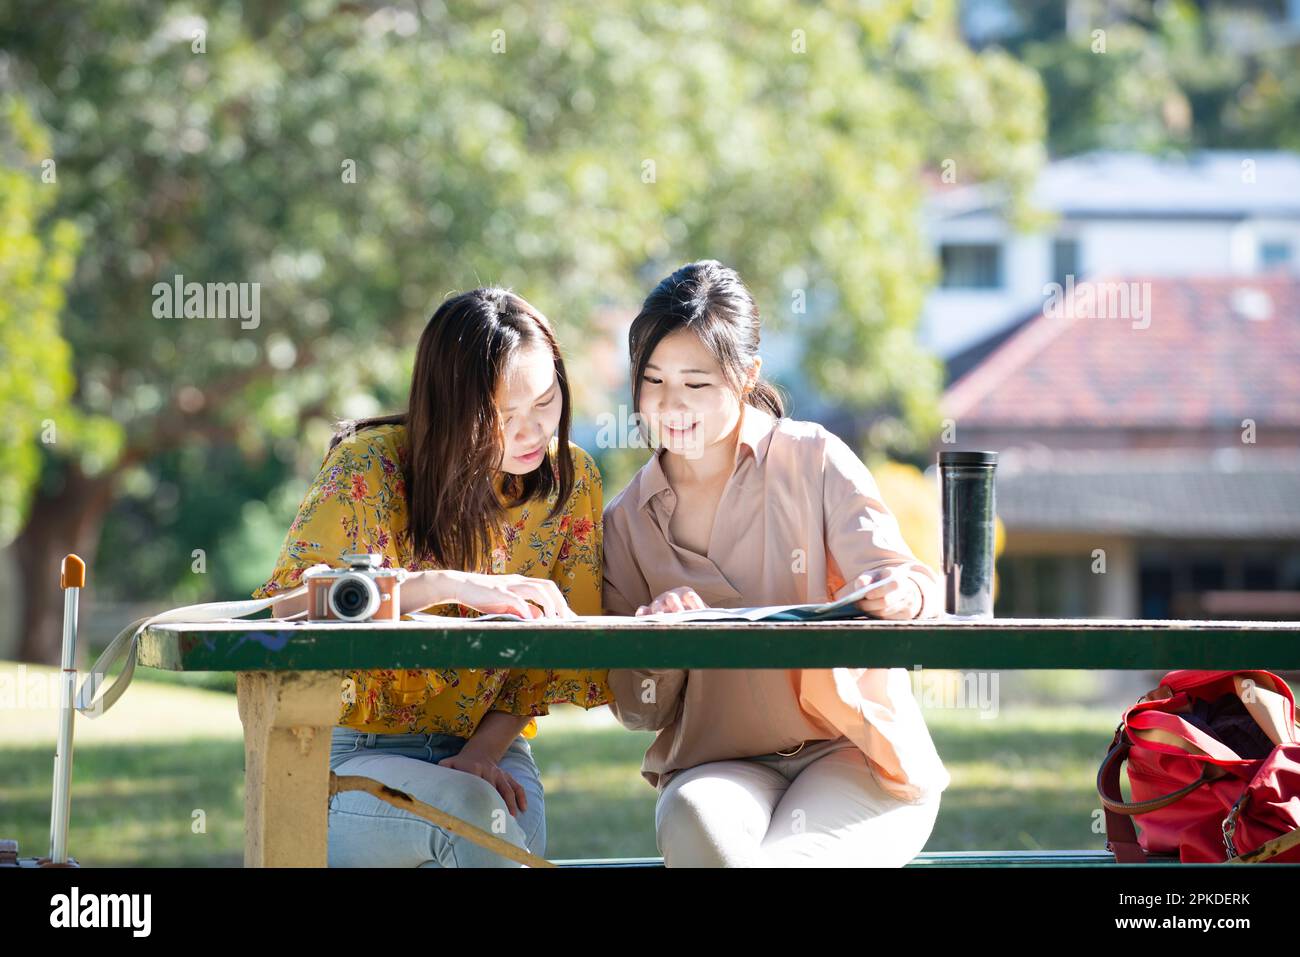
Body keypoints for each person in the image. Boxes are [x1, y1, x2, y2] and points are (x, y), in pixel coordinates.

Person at [602, 260, 951, 867]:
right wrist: (664, 641)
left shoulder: (815, 458)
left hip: (853, 754)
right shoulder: (627, 519)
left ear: (746, 377)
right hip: (719, 767)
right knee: (693, 827)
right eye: (652, 381)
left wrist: (898, 595)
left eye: (696, 383)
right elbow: (638, 708)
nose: (670, 405)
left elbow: (912, 581)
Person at [253, 287, 610, 866]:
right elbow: (288, 609)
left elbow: (546, 664)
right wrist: (449, 585)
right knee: (477, 821)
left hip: (492, 745)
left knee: (492, 826)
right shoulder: (371, 464)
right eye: (502, 416)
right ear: (451, 410)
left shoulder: (572, 481)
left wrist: (482, 754)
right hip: (350, 752)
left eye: (546, 402)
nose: (533, 433)